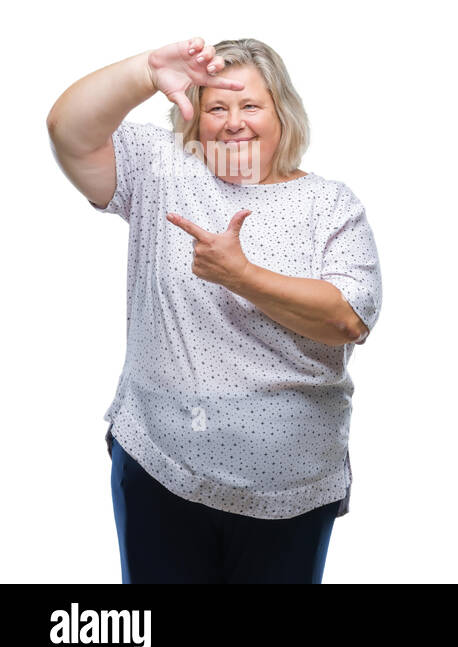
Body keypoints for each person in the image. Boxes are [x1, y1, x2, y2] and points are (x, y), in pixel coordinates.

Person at [47, 37, 382, 583]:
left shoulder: (329, 204)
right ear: (194, 117)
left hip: (290, 490)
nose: (233, 123)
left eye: (250, 105)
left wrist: (242, 276)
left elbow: (348, 317)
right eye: (216, 107)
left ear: (283, 113)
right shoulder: (160, 169)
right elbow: (69, 131)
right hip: (161, 466)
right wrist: (145, 71)